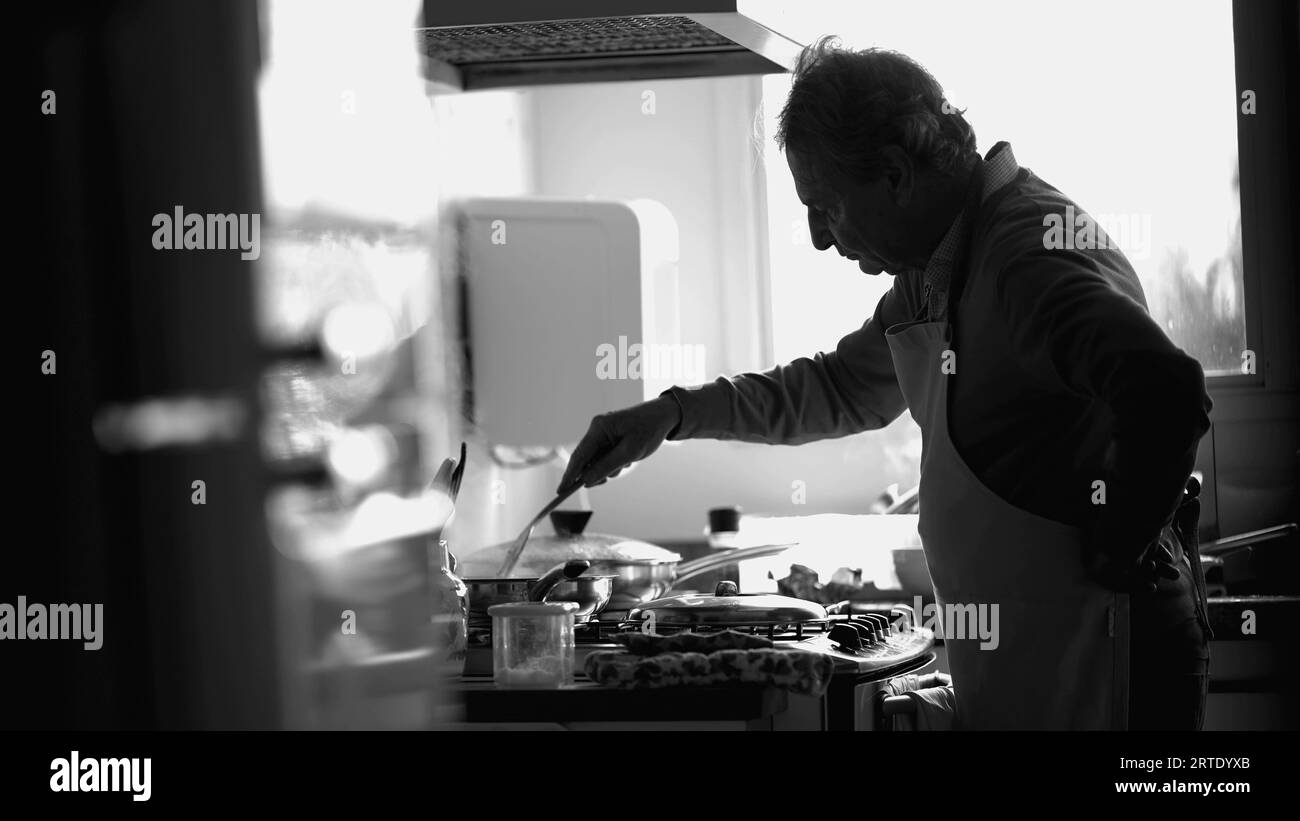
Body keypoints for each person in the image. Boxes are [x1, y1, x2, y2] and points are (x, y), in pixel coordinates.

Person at [557, 38, 1213, 730]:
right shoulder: (933, 274)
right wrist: (672, 414)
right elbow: (841, 388)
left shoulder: (1025, 256)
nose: (817, 237)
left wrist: (1121, 542)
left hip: (1111, 659)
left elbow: (1166, 389)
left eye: (826, 206)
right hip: (1042, 657)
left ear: (896, 173)